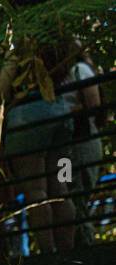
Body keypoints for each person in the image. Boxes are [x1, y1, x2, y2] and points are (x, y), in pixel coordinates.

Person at [0, 41, 76, 254]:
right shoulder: (58, 42)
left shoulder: (21, 47)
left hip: (28, 120)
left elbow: (1, 90)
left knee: (36, 191)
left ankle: (48, 252)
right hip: (60, 115)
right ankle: (69, 251)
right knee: (62, 187)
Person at [63, 42, 103, 245]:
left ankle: (84, 247)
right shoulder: (58, 75)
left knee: (76, 194)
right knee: (68, 191)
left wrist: (66, 112)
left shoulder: (79, 70)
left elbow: (93, 104)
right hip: (66, 148)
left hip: (80, 142)